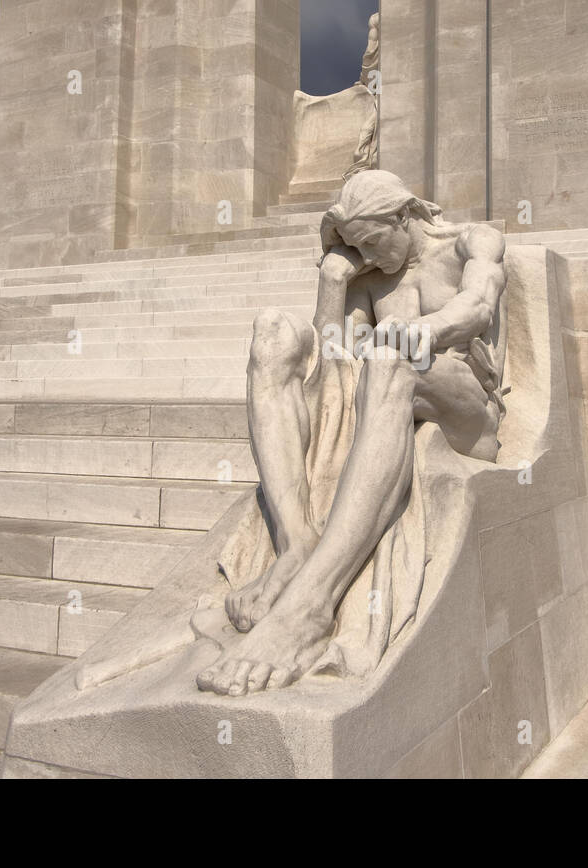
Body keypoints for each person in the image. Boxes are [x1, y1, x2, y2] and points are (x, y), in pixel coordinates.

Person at [197, 170, 507, 696]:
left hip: (467, 412)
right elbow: (330, 362)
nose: (366, 253)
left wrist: (416, 333)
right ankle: (297, 542)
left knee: (392, 360)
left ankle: (311, 605)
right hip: (387, 391)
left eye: (371, 240)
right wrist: (334, 280)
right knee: (275, 330)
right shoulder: (369, 276)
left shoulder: (470, 242)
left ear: (404, 216)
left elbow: (476, 306)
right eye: (354, 244)